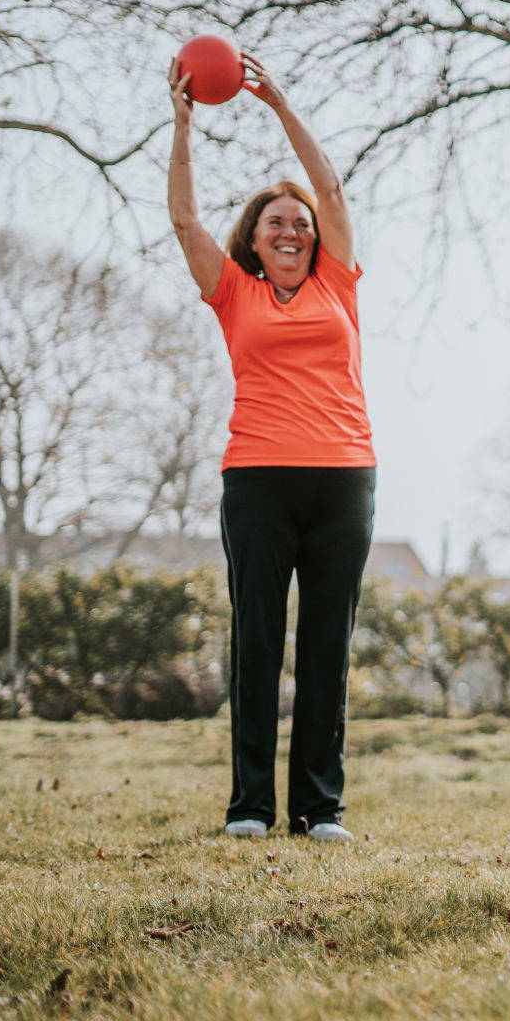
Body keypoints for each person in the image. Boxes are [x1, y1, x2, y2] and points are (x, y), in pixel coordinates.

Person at [167, 54, 376, 843]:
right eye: (275, 223)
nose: (291, 229)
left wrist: (280, 105)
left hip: (344, 477)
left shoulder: (337, 282)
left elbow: (331, 190)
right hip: (257, 477)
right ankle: (250, 805)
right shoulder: (233, 291)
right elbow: (184, 220)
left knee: (327, 643)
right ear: (253, 240)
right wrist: (184, 124)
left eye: (300, 223)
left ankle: (319, 807)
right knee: (257, 641)